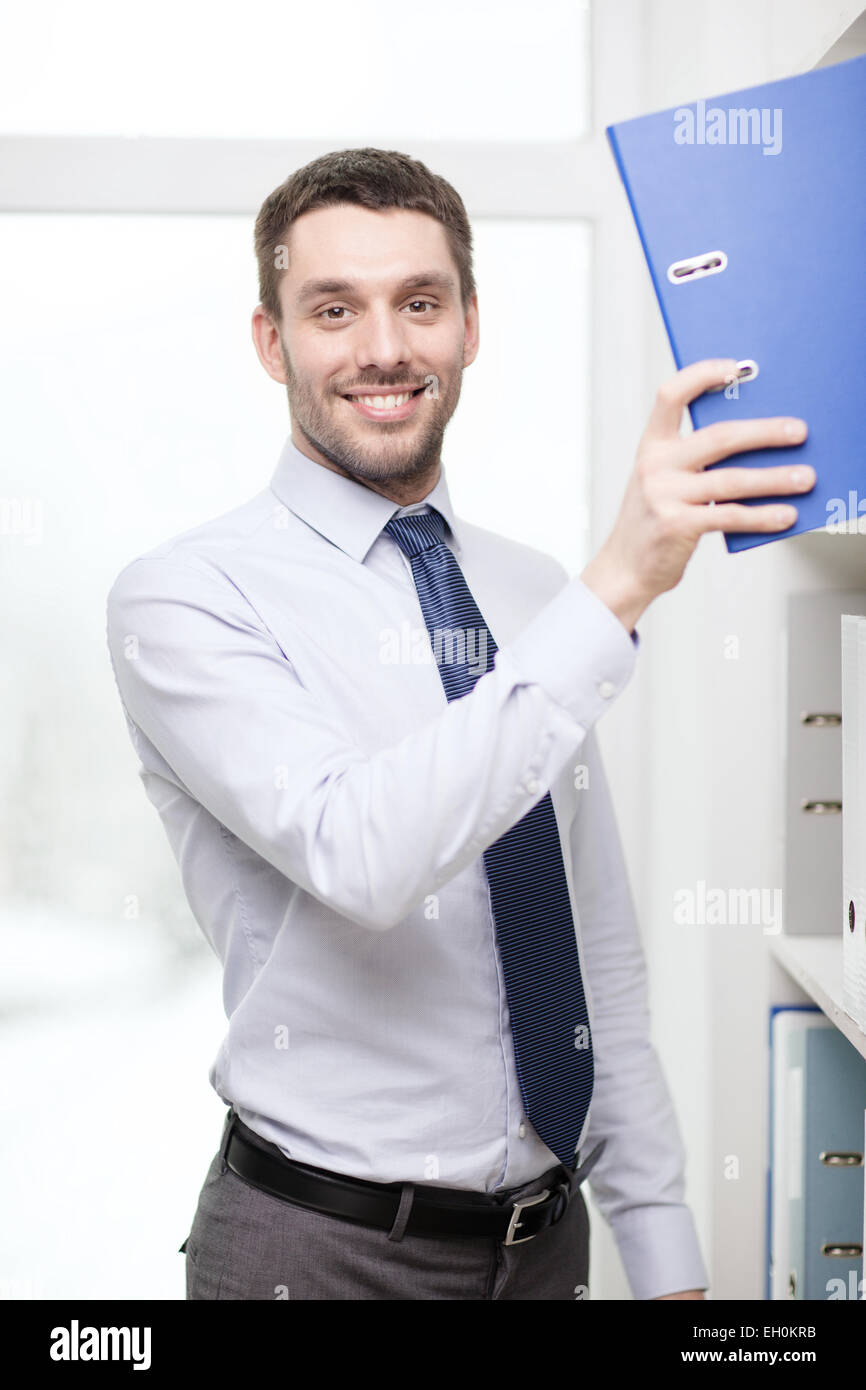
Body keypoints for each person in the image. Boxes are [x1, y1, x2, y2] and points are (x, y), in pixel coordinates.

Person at [105, 147, 812, 1301]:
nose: (383, 347)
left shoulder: (535, 592)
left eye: (418, 303)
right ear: (271, 342)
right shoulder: (183, 598)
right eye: (333, 309)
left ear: (468, 328)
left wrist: (662, 1243)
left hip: (547, 1249)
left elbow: (590, 946)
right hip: (317, 1250)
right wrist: (620, 586)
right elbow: (362, 851)